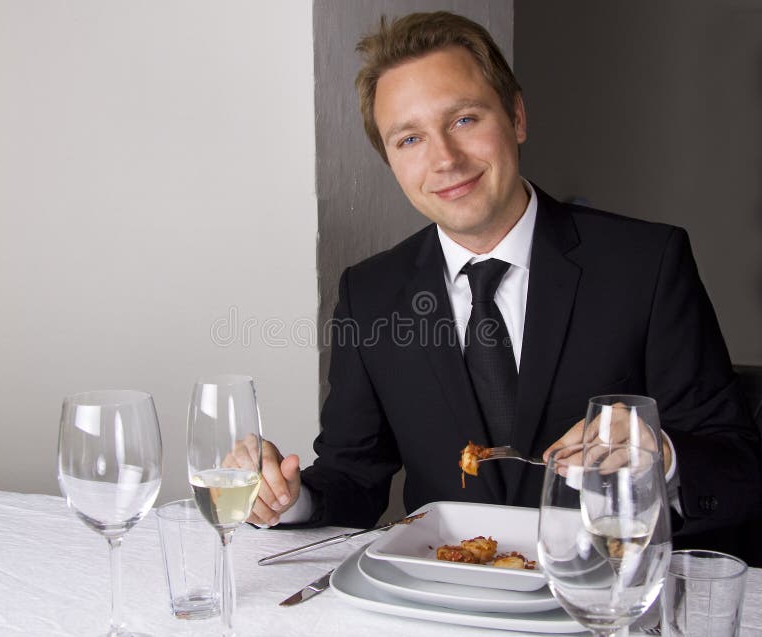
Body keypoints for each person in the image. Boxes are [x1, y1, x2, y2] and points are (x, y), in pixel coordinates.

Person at [249, 11, 761, 540]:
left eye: (464, 120)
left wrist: (666, 457)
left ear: (516, 117)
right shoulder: (369, 293)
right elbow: (352, 476)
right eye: (409, 139)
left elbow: (741, 468)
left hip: (607, 599)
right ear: (391, 162)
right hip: (447, 599)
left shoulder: (648, 262)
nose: (444, 159)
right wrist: (289, 497)